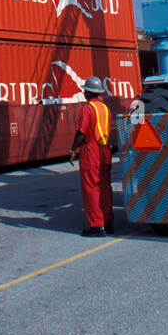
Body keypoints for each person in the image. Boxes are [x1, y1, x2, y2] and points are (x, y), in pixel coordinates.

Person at [69, 77, 114, 236]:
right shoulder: (105, 108)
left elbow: (81, 132)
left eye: (84, 90)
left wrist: (73, 150)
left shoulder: (87, 109)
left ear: (88, 92)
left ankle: (96, 226)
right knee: (105, 187)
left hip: (91, 151)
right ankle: (108, 221)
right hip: (105, 151)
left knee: (91, 188)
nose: (83, 92)